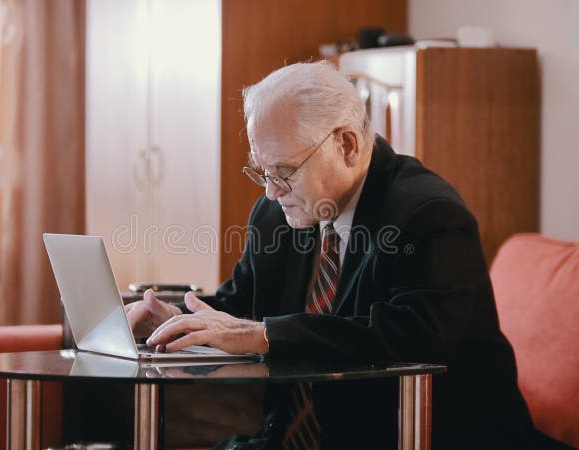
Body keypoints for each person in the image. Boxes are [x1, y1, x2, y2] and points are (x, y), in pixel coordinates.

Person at [125, 61, 540, 450]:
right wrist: (176, 320)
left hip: (419, 437)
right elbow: (241, 308)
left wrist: (266, 334)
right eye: (262, 171)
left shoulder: (428, 214)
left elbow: (411, 336)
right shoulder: (276, 213)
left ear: (347, 144)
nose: (271, 191)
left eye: (284, 171)